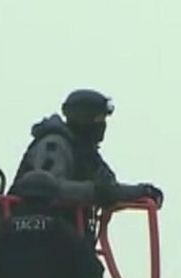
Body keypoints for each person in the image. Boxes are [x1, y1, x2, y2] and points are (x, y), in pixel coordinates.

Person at [13, 89, 164, 241]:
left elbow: (108, 187)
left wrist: (140, 192)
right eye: (99, 119)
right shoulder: (55, 144)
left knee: (92, 264)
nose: (103, 125)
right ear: (84, 118)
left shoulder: (84, 150)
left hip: (67, 237)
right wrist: (93, 192)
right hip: (41, 236)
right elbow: (45, 187)